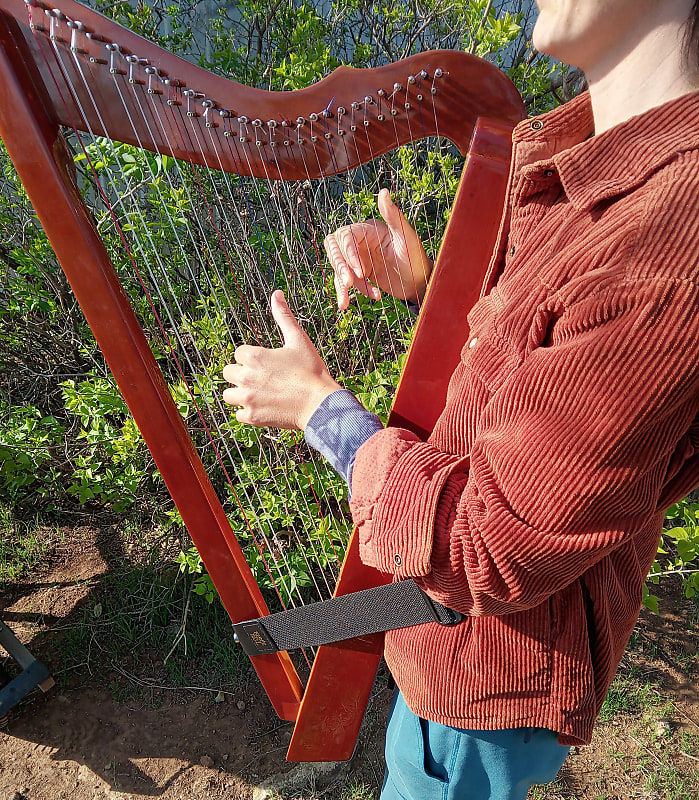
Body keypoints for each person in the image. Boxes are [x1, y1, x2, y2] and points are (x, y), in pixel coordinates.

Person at [223, 1, 699, 797]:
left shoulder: (667, 235)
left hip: (490, 676)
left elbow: (486, 547)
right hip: (457, 648)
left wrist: (320, 412)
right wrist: (425, 293)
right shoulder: (596, 166)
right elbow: (537, 375)